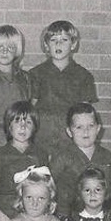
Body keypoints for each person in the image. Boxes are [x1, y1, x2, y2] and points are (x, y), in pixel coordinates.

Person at [28, 20, 98, 148]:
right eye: (53, 40)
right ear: (46, 45)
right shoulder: (35, 74)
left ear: (73, 44)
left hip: (70, 141)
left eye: (64, 40)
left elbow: (85, 114)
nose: (58, 44)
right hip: (42, 138)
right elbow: (30, 111)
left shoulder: (83, 76)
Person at [49, 102, 111, 217]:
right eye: (79, 127)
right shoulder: (61, 158)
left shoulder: (108, 158)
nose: (85, 132)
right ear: (69, 132)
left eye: (90, 126)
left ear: (98, 129)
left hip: (100, 217)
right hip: (67, 217)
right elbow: (48, 187)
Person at [0, 101, 50, 219]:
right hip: (7, 211)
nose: (23, 127)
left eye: (28, 122)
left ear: (34, 128)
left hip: (34, 210)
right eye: (17, 121)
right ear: (9, 126)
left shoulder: (40, 154)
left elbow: (47, 187)